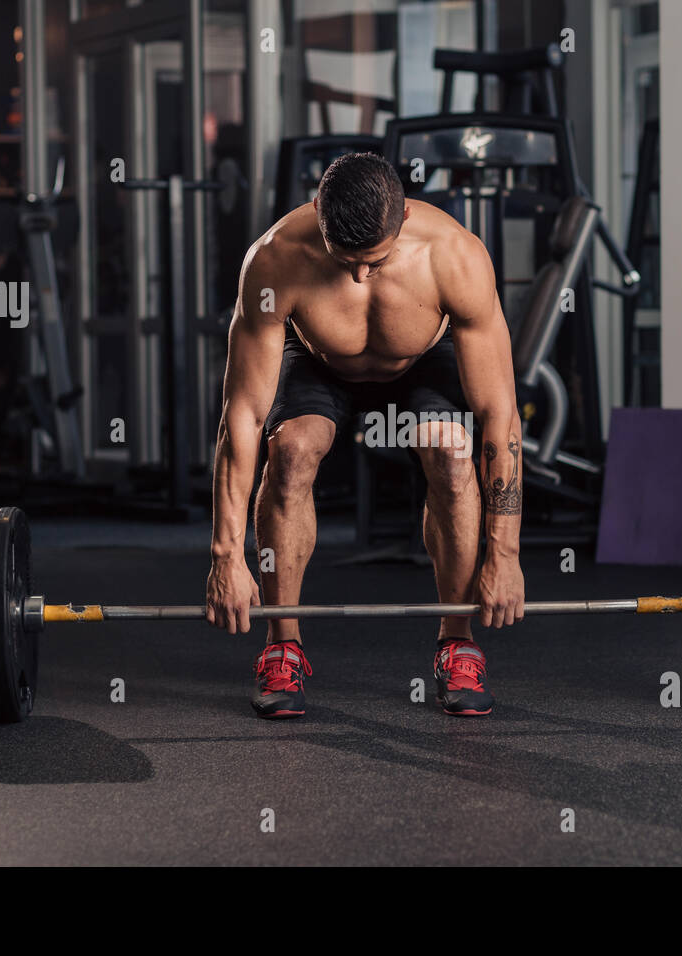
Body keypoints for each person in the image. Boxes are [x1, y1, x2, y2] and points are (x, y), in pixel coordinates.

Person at [206, 152, 524, 718]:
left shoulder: (456, 258)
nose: (356, 277)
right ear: (317, 216)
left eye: (372, 262)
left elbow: (500, 418)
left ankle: (457, 642)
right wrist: (228, 556)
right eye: (343, 260)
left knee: (452, 454)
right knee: (292, 452)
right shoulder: (275, 260)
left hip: (422, 359)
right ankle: (283, 647)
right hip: (319, 358)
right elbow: (242, 418)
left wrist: (506, 554)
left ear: (401, 222)